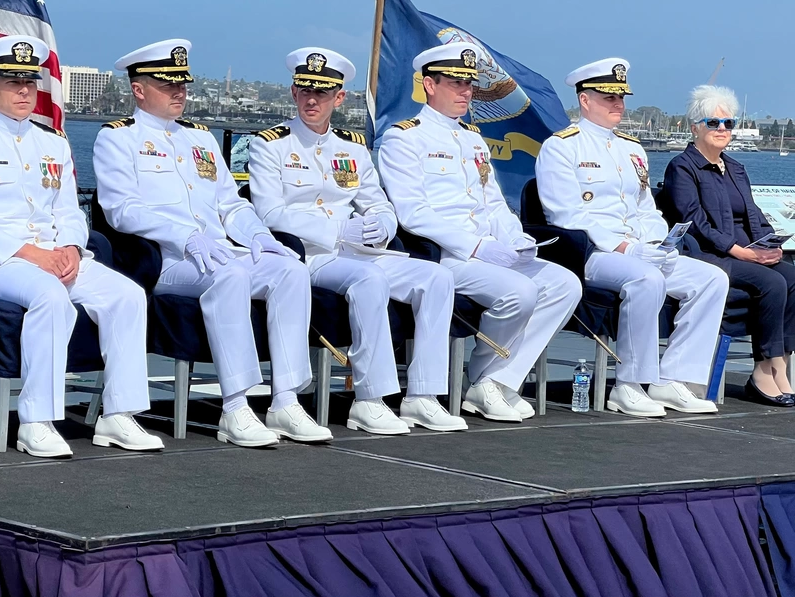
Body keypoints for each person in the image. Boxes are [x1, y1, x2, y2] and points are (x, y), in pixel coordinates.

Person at [0, 36, 163, 457]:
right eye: (11, 82)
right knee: (50, 297)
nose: (24, 91)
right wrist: (32, 254)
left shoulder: (52, 142)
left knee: (128, 296)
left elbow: (70, 209)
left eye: (29, 82)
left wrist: (73, 248)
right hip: (1, 263)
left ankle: (118, 416)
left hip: (59, 255)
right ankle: (36, 421)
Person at [93, 40, 329, 447]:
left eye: (182, 84)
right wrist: (185, 236)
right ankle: (236, 407)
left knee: (290, 271)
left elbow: (228, 203)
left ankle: (285, 401)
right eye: (168, 85)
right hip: (166, 260)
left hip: (219, 252)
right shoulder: (117, 139)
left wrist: (258, 235)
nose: (179, 92)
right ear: (138, 89)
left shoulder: (200, 140)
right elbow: (121, 210)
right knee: (232, 274)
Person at [248, 48, 465, 434]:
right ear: (293, 94)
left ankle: (423, 396)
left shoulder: (351, 146)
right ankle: (370, 399)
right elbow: (269, 214)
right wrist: (335, 231)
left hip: (358, 250)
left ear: (339, 98)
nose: (313, 100)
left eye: (323, 93)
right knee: (369, 281)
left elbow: (377, 201)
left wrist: (381, 225)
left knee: (436, 278)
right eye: (305, 91)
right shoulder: (271, 144)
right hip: (309, 255)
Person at [377, 44, 582, 422]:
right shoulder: (404, 138)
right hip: (442, 256)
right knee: (519, 291)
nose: (465, 92)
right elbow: (413, 213)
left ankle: (495, 381)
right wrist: (478, 247)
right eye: (455, 83)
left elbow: (493, 203)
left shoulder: (473, 138)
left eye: (468, 84)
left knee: (564, 284)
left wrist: (517, 239)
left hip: (489, 251)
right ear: (429, 85)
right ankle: (485, 380)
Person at [536, 58, 729, 417]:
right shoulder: (562, 148)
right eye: (608, 97)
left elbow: (645, 209)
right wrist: (626, 248)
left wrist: (659, 243)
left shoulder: (631, 149)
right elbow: (567, 215)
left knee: (711, 279)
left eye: (621, 97)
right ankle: (629, 385)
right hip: (593, 253)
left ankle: (674, 379)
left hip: (639, 249)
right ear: (585, 99)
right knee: (645, 278)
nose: (618, 105)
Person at [659, 85, 795, 407]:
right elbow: (694, 220)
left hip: (747, 251)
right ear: (695, 127)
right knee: (771, 283)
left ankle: (774, 365)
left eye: (728, 124)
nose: (722, 130)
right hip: (709, 256)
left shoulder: (736, 168)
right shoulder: (682, 168)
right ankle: (764, 372)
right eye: (713, 123)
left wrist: (770, 243)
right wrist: (738, 251)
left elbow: (752, 212)